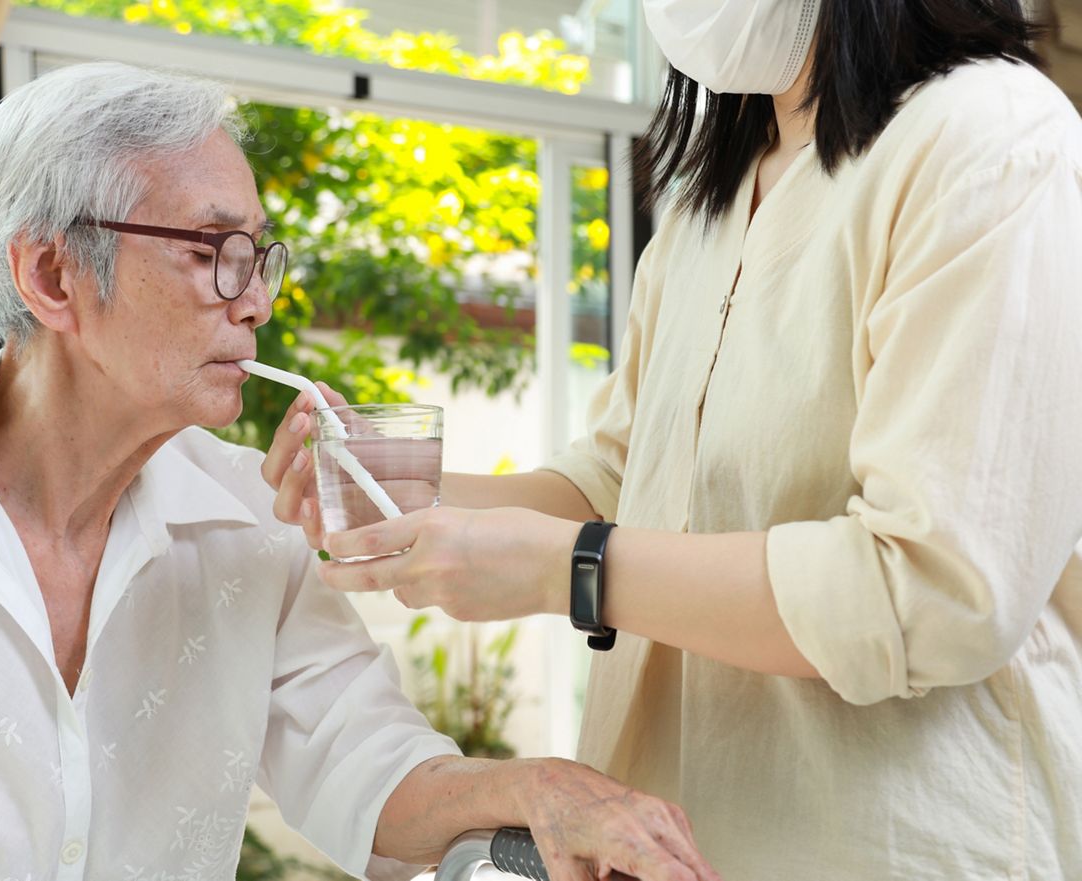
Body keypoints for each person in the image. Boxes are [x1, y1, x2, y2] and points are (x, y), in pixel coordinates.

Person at [0, 63, 722, 881]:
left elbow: (376, 773)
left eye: (260, 254)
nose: (258, 301)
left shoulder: (255, 517)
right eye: (213, 254)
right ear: (51, 275)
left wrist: (547, 787)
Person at [263, 1, 1082, 879]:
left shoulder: (988, 138)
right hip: (664, 843)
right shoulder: (709, 201)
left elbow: (937, 585)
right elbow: (622, 476)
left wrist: (569, 569)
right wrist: (394, 487)